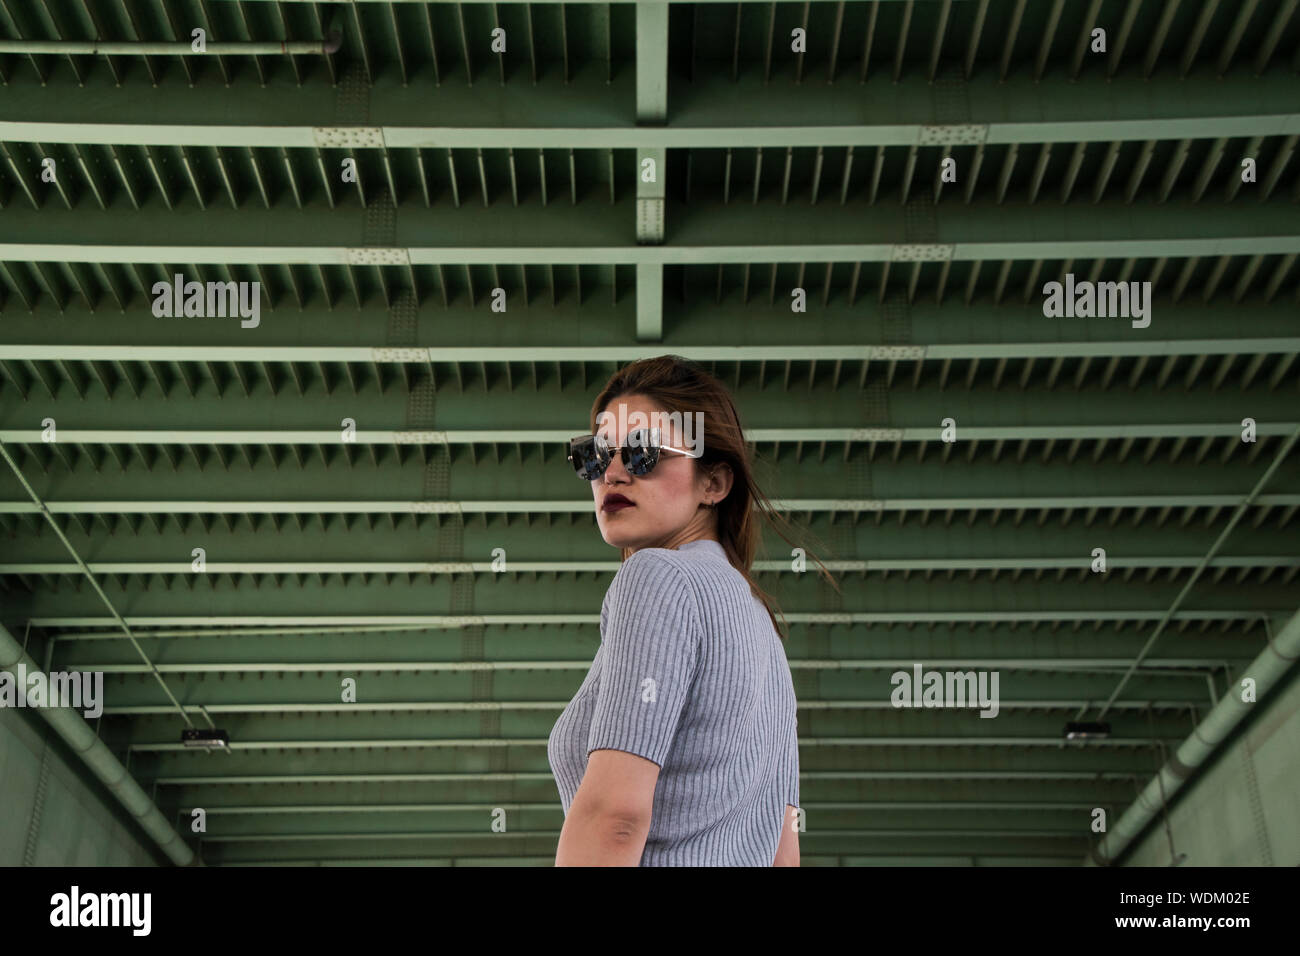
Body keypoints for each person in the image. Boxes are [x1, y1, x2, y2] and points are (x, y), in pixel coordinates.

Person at [547, 354, 837, 865]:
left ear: (715, 484)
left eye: (643, 454)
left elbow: (615, 818)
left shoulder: (657, 576)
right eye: (593, 456)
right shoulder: (764, 633)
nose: (611, 473)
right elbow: (783, 852)